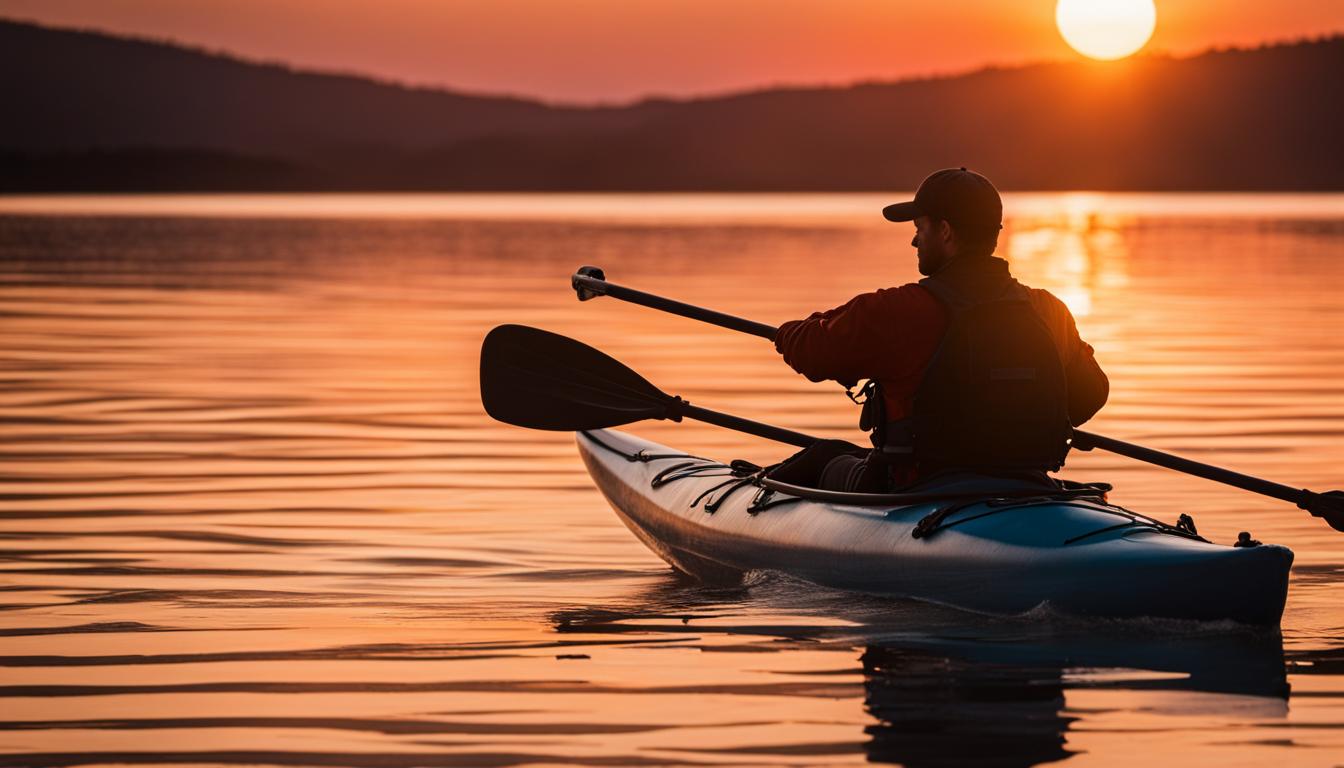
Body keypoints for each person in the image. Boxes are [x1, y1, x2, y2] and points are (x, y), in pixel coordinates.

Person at [772, 168, 1109, 491]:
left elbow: (811, 352)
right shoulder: (1048, 309)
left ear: (945, 231)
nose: (915, 241)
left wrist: (787, 332)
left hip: (918, 487)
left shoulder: (898, 310)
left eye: (920, 227)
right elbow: (1090, 395)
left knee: (823, 456)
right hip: (1028, 482)